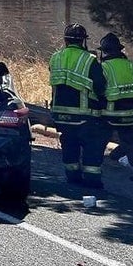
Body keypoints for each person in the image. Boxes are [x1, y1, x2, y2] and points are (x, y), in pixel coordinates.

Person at [48, 24, 108, 188]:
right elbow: (100, 87)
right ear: (83, 41)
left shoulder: (55, 57)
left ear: (66, 40)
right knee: (91, 148)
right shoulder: (90, 60)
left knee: (69, 145)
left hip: (60, 114)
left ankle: (72, 176)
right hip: (85, 114)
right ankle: (92, 181)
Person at [98, 32, 133, 181]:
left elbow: (98, 91)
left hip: (110, 114)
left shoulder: (102, 67)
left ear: (104, 51)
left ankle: (93, 170)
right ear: (120, 50)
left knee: (97, 142)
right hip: (132, 114)